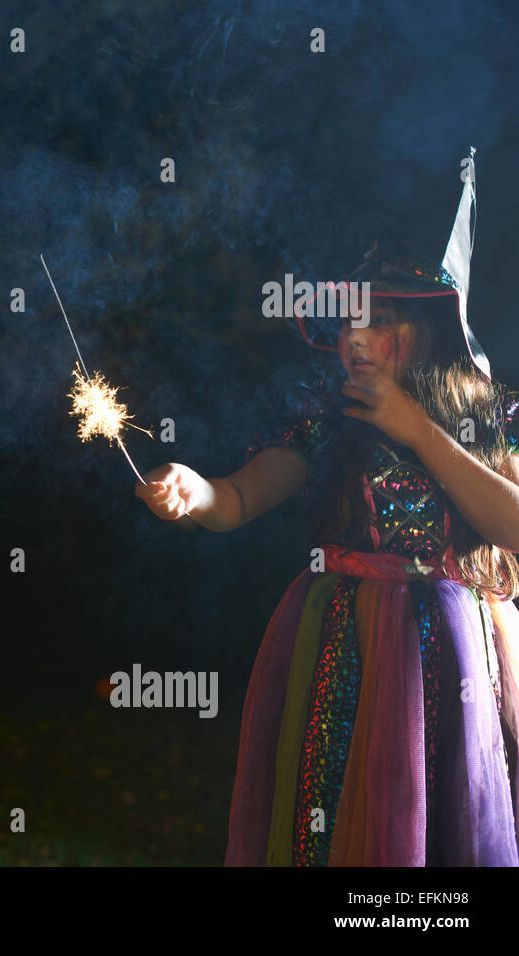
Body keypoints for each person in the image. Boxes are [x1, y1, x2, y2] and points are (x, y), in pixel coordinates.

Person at [136, 170, 519, 865]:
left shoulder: (491, 419)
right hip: (343, 647)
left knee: (440, 822)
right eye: (348, 321)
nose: (356, 338)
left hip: (452, 651)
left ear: (427, 326)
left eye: (378, 320)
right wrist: (196, 491)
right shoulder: (329, 423)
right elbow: (242, 497)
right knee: (337, 815)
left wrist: (418, 431)